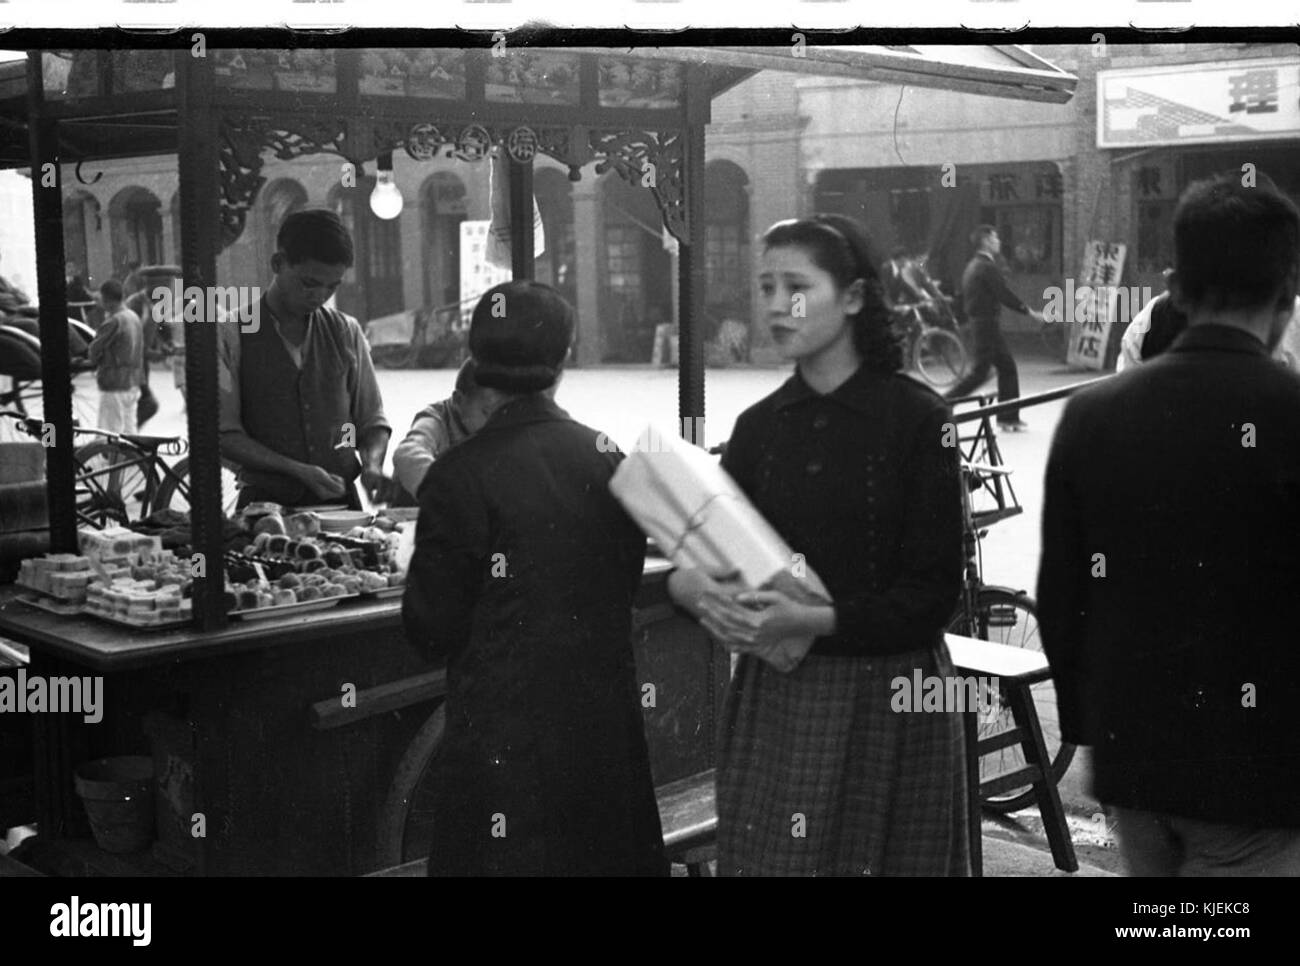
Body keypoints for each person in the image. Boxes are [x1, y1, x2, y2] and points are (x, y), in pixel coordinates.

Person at [666, 214, 968, 876]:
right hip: (780, 698)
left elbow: (934, 595)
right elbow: (701, 555)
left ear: (854, 297)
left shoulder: (918, 422)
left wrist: (810, 618)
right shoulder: (759, 428)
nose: (775, 306)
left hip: (891, 697)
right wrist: (693, 589)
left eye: (795, 287)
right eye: (766, 287)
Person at [1038, 173, 1300, 876]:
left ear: (1177, 289)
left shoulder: (1091, 417)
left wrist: (1091, 729)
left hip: (1135, 763)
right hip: (1258, 776)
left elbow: (1061, 598)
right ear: (1285, 299)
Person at [402, 280, 666, 877]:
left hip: (501, 749)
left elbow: (430, 629)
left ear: (473, 359)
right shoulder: (604, 457)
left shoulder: (456, 476)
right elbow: (621, 585)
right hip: (602, 740)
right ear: (564, 361)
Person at [218, 209, 391, 509]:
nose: (320, 295)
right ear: (278, 263)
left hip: (342, 508)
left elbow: (371, 420)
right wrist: (295, 470)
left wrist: (373, 464)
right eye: (309, 283)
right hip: (265, 508)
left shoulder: (346, 331)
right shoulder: (231, 333)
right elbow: (225, 434)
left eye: (332, 286)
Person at [944, 225, 1045, 431]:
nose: (999, 241)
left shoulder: (973, 265)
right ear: (987, 241)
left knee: (1007, 367)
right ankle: (943, 405)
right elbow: (1003, 294)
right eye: (996, 238)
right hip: (986, 324)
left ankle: (1008, 417)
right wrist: (1031, 313)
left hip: (983, 324)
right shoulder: (986, 267)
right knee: (980, 372)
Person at [390, 357, 492, 505]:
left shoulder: (496, 426)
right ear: (458, 400)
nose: (494, 419)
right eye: (486, 412)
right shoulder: (435, 420)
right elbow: (406, 454)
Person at [86, 279, 145, 434]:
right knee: (129, 431)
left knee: (109, 433)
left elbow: (94, 349)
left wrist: (93, 360)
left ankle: (110, 459)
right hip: (133, 382)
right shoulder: (133, 317)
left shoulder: (114, 321)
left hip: (114, 383)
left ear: (108, 300)